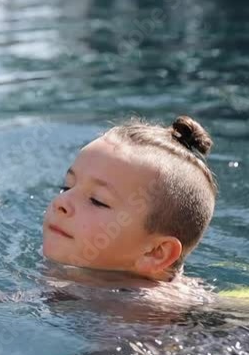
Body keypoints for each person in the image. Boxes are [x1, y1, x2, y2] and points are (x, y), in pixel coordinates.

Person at [40, 115, 217, 300]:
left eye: (97, 200)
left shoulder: (147, 316)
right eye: (67, 187)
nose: (60, 202)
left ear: (155, 253)